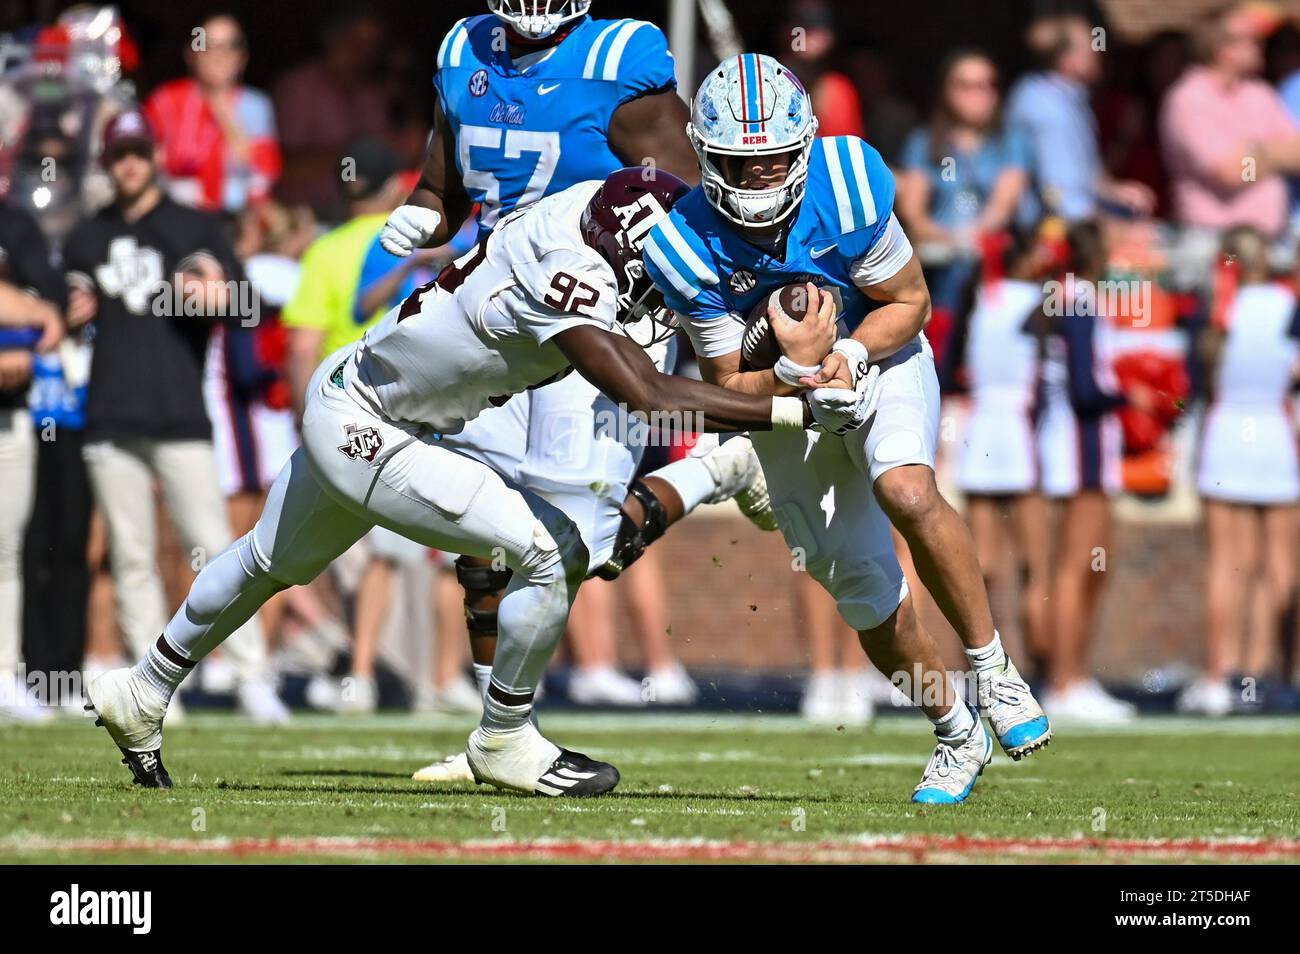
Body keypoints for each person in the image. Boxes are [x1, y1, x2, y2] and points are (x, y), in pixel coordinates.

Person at [83, 167, 860, 794]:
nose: (661, 292)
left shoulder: (592, 209)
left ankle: (143, 688)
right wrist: (791, 411)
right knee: (549, 552)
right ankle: (503, 738)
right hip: (374, 428)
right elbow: (646, 396)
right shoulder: (571, 272)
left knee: (267, 561)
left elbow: (675, 268)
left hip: (360, 398)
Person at [642, 54, 1052, 803]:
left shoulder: (848, 184)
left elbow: (910, 301)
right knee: (864, 592)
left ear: (802, 150)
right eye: (741, 163)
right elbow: (727, 382)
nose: (761, 178)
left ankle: (994, 671)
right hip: (786, 402)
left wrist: (851, 354)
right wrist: (797, 377)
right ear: (707, 157)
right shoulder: (684, 244)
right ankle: (956, 732)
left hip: (882, 356)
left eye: (773, 162)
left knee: (907, 489)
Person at [380, 1, 773, 780]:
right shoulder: (465, 47)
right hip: (493, 315)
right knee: (480, 537)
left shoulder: (623, 58)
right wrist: (422, 214)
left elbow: (691, 198)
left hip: (594, 311)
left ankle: (712, 470)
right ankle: (497, 735)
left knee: (578, 548)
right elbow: (445, 184)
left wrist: (703, 314)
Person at [62, 110, 287, 724]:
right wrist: (71, 310)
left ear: (156, 155)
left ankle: (251, 675)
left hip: (181, 414)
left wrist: (215, 294)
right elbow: (61, 309)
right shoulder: (86, 234)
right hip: (109, 415)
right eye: (119, 154)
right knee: (131, 558)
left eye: (139, 151)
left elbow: (248, 307)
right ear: (107, 161)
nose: (130, 163)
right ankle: (153, 687)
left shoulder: (194, 225)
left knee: (215, 552)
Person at [1184, 227, 1300, 715]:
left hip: (1225, 434)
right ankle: (1274, 674)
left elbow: (1196, 381)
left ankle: (1218, 676)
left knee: (1226, 567)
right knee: (1280, 564)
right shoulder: (1287, 304)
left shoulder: (1214, 308)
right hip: (1274, 432)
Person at [1034, 221, 1140, 723]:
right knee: (1078, 566)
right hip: (1081, 443)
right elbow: (1084, 388)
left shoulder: (1067, 296)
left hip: (1081, 442)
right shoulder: (1075, 299)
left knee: (1094, 564)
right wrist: (1131, 396)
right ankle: (1065, 679)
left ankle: (1073, 676)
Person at [951, 228, 1060, 674]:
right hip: (1020, 431)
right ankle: (1046, 676)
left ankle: (981, 675)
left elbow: (952, 364)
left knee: (982, 567)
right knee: (1036, 567)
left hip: (980, 430)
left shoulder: (977, 297)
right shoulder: (1038, 302)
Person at [896, 49, 1029, 319]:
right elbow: (914, 212)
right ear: (946, 91)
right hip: (938, 262)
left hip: (993, 264)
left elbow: (1005, 204)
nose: (977, 94)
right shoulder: (924, 143)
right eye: (965, 86)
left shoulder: (1010, 142)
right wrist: (948, 240)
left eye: (986, 85)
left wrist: (971, 237)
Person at [0, 198, 64, 719]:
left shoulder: (17, 223)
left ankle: (3, 673)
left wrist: (38, 324)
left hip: (10, 414)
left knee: (5, 549)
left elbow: (48, 313)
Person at [1161, 4, 1300, 245]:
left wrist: (1254, 152)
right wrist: (1273, 153)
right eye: (1252, 41)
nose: (1262, 47)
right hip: (1217, 245)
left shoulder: (1260, 93)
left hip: (1272, 241)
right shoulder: (1189, 99)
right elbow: (1229, 173)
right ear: (1223, 50)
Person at [1007, 12, 1153, 227]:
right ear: (1068, 59)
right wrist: (1116, 229)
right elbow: (1062, 197)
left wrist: (1115, 191)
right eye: (1092, 46)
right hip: (1052, 238)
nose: (1100, 51)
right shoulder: (1046, 105)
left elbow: (1081, 174)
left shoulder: (1069, 99)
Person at [144, 14, 281, 215]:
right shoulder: (165, 102)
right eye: (206, 45)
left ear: (242, 57)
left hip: (237, 217)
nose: (218, 55)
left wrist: (223, 111)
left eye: (229, 46)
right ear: (192, 53)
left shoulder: (256, 105)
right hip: (176, 213)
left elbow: (262, 172)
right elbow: (148, 163)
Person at [273, 14, 395, 216]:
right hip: (306, 215)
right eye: (355, 42)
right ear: (331, 39)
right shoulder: (299, 88)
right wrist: (356, 151)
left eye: (371, 45)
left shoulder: (372, 93)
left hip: (366, 212)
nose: (364, 53)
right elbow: (281, 169)